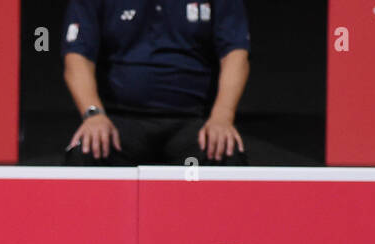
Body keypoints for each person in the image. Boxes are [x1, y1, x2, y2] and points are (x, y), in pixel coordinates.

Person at [62, 0, 251, 166]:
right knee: (85, 153)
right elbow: (78, 57)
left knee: (226, 155)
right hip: (118, 120)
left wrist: (222, 117)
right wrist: (93, 114)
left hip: (195, 120)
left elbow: (235, 54)